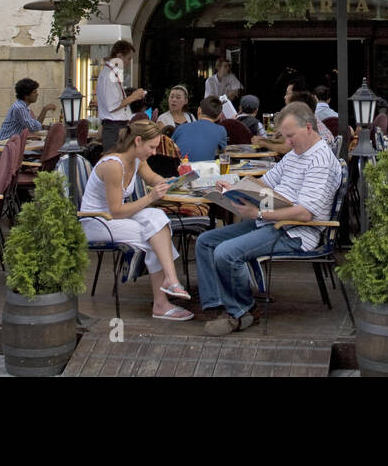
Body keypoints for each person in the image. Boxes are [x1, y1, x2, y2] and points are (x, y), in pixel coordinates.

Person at [197, 101, 343, 335]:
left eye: (290, 135)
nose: (287, 142)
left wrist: (258, 213)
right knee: (206, 242)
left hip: (295, 231)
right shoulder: (297, 154)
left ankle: (240, 311)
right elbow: (266, 183)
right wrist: (233, 188)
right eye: (284, 136)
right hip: (271, 220)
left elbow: (304, 213)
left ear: (308, 128)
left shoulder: (320, 161)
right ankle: (219, 304)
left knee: (225, 253)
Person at [78, 118, 193, 320]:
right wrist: (150, 197)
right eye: (152, 147)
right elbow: (116, 211)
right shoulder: (113, 165)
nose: (154, 152)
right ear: (138, 141)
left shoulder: (137, 160)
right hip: (96, 221)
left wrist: (172, 182)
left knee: (157, 216)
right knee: (152, 234)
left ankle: (170, 281)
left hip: (117, 217)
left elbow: (152, 178)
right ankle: (162, 302)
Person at [96, 41, 147, 152]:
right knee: (115, 159)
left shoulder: (112, 74)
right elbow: (113, 105)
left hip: (117, 126)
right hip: (114, 127)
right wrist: (133, 97)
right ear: (119, 56)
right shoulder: (108, 76)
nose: (129, 62)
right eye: (128, 58)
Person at [171, 96, 228, 162]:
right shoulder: (220, 130)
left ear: (199, 110)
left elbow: (169, 147)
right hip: (205, 170)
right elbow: (224, 155)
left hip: (180, 169)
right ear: (219, 116)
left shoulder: (181, 128)